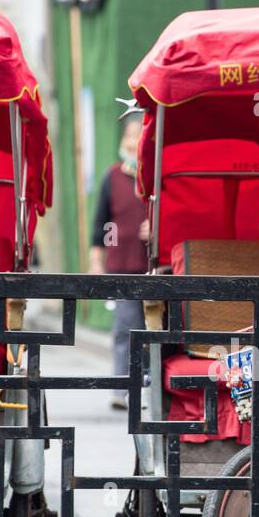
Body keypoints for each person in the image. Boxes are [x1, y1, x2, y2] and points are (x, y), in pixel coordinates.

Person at [88, 115, 149, 410]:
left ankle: (150, 385)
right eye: (128, 139)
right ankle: (121, 386)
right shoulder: (111, 178)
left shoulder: (153, 178)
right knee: (126, 327)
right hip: (121, 266)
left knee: (156, 328)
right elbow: (99, 225)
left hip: (153, 266)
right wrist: (96, 263)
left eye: (138, 140)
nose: (132, 145)